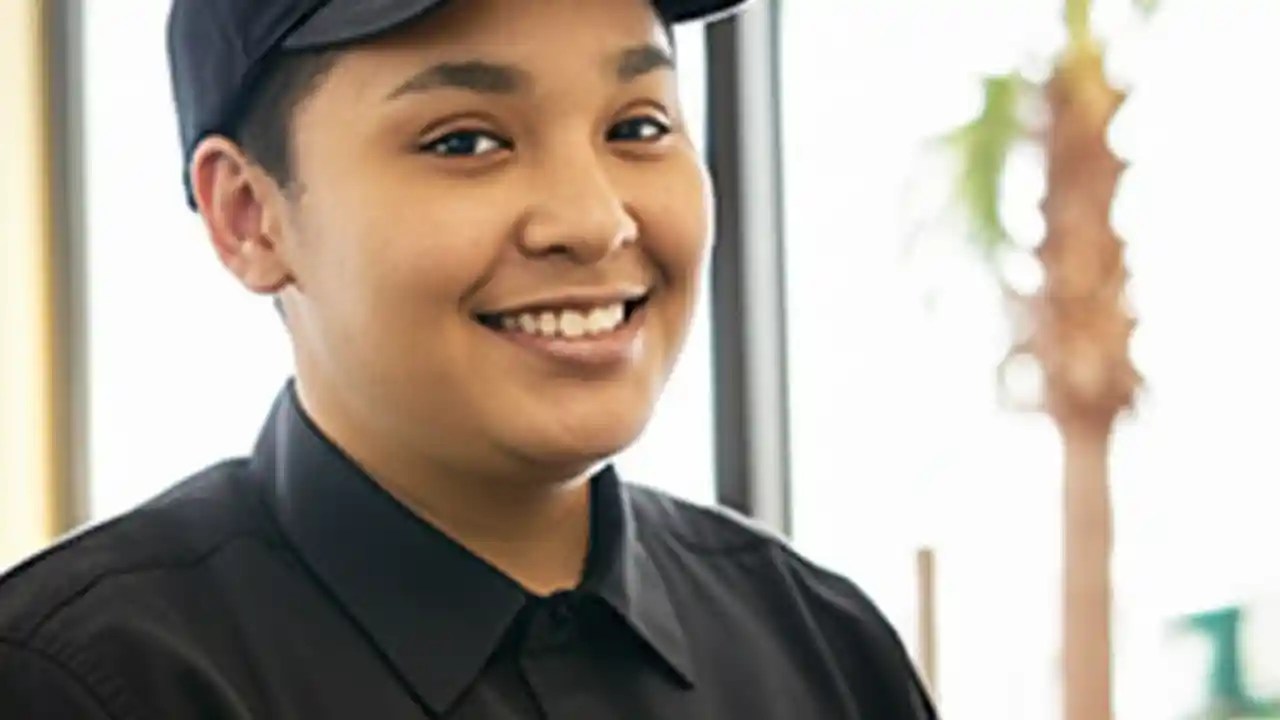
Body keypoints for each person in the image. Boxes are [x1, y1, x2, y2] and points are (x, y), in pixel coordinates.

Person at [0, 0, 938, 717]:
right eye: (467, 141)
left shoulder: (824, 652)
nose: (593, 220)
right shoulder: (87, 683)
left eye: (638, 128)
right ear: (248, 215)